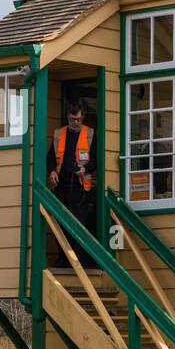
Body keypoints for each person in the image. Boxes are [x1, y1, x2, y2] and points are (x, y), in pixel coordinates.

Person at [47, 100, 98, 268]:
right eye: (71, 119)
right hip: (60, 186)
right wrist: (52, 171)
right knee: (60, 223)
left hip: (80, 187)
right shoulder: (59, 134)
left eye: (77, 119)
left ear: (83, 117)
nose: (74, 123)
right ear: (67, 118)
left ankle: (75, 260)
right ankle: (64, 258)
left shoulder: (90, 134)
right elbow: (49, 158)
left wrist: (85, 169)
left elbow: (96, 161)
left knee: (78, 224)